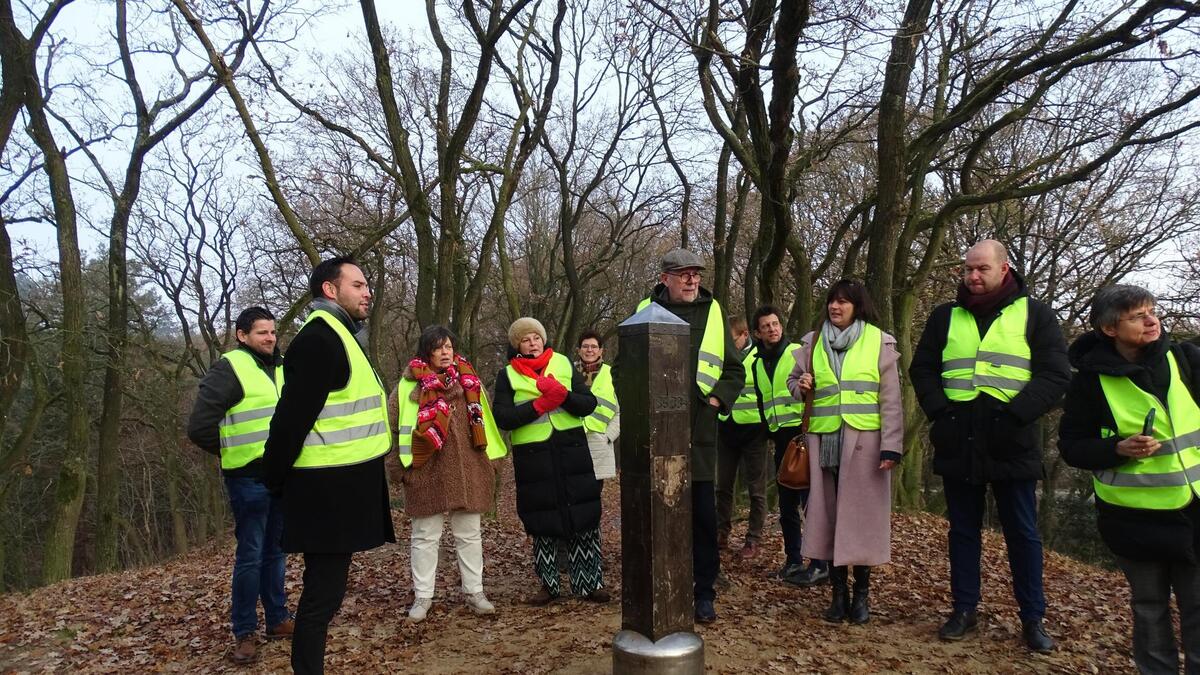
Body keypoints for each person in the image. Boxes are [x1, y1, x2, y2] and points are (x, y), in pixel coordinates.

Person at [909, 240, 1069, 653]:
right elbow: (922, 368)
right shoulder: (944, 316)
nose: (973, 277)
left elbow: (1054, 375)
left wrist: (1014, 416)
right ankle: (964, 609)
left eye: (981, 269)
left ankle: (1032, 618)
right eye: (967, 270)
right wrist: (941, 412)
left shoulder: (1036, 315)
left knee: (1023, 533)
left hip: (1012, 442)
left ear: (1004, 269)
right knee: (963, 532)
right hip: (957, 438)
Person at [262, 257, 394, 675]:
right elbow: (290, 421)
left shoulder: (340, 335)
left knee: (327, 595)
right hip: (325, 493)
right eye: (357, 284)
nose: (367, 291)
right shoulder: (318, 339)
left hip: (343, 487)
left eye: (366, 285)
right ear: (330, 290)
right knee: (321, 598)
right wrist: (274, 479)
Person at [1059, 285, 1200, 673]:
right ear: (1109, 329)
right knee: (1150, 611)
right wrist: (1117, 450)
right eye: (1138, 316)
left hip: (1194, 515)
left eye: (1153, 311)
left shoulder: (1186, 359)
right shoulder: (1089, 381)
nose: (1152, 320)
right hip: (1132, 519)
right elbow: (1071, 447)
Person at [626, 248, 745, 623]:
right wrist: (637, 409)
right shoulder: (644, 309)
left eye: (696, 273)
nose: (692, 280)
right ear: (665, 279)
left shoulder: (713, 312)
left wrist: (713, 403)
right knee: (656, 515)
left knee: (703, 519)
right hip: (655, 438)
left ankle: (704, 592)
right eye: (683, 274)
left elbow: (733, 372)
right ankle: (656, 587)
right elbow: (621, 368)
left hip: (699, 436)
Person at [787, 280, 901, 625]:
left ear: (857, 306)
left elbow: (891, 400)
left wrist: (891, 446)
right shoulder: (812, 342)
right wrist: (801, 385)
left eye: (843, 302)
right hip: (824, 443)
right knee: (830, 519)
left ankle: (862, 597)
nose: (835, 307)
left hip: (865, 446)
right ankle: (838, 596)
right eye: (832, 302)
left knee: (862, 521)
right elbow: (793, 383)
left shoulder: (878, 341)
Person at [187, 306, 293, 664]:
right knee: (250, 555)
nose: (270, 338)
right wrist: (234, 452)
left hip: (282, 477)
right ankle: (244, 631)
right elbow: (199, 428)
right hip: (248, 478)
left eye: (273, 332)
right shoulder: (229, 368)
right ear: (242, 335)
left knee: (276, 552)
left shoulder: (280, 368)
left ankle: (277, 619)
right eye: (262, 332)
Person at [389, 325, 508, 623]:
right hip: (424, 468)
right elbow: (391, 427)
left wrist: (492, 463)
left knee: (469, 534)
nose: (445, 352)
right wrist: (397, 467)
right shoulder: (407, 386)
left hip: (469, 469)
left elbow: (488, 423)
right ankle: (423, 597)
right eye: (439, 347)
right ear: (426, 351)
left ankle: (475, 592)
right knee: (424, 536)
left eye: (449, 347)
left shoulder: (471, 383)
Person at [492, 317, 609, 605]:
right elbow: (503, 418)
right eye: (525, 339)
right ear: (517, 345)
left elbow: (588, 404)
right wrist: (538, 405)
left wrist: (563, 396)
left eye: (536, 337)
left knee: (582, 515)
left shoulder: (563, 364)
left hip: (572, 451)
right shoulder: (507, 375)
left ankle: (590, 583)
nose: (532, 343)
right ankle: (549, 585)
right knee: (542, 519)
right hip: (534, 458)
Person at [750, 305, 828, 587]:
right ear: (757, 333)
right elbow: (762, 399)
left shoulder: (799, 351)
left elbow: (815, 385)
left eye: (776, 323)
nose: (772, 329)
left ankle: (820, 563)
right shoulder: (757, 362)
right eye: (766, 326)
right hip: (779, 439)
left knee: (811, 501)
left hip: (803, 434)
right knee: (786, 504)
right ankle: (793, 560)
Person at [716, 315, 768, 560]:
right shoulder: (721, 356)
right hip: (726, 427)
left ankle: (753, 539)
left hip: (754, 430)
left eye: (732, 338)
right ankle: (721, 532)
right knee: (723, 485)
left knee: (756, 488)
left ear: (744, 335)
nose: (727, 342)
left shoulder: (759, 357)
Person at [575, 330, 619, 483]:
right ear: (578, 350)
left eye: (594, 346)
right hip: (571, 440)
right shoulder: (567, 372)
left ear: (601, 350)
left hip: (599, 442)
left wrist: (608, 436)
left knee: (594, 492)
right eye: (585, 346)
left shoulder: (612, 374)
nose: (589, 350)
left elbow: (622, 412)